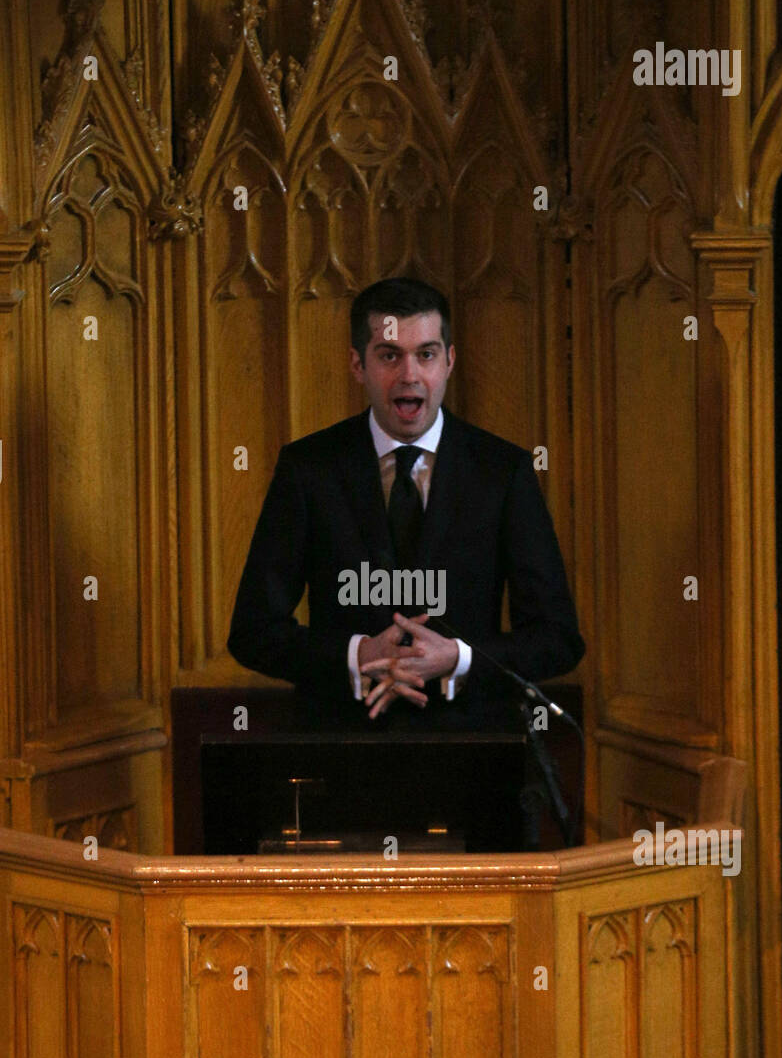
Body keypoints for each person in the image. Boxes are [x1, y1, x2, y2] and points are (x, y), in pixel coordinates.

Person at [228, 277, 584, 731]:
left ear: (449, 362)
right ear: (359, 364)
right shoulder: (308, 469)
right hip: (341, 748)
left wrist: (457, 659)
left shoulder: (502, 471)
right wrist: (360, 655)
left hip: (471, 753)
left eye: (426, 354)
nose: (410, 375)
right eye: (390, 355)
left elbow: (558, 639)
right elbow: (254, 631)